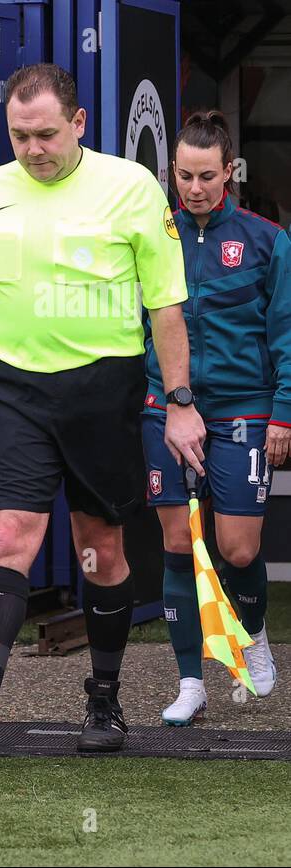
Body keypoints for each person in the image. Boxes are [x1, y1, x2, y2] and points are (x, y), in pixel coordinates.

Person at [0, 63, 203, 756]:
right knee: (9, 537)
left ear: (79, 124)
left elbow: (165, 304)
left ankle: (105, 699)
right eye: (20, 136)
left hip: (102, 390)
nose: (32, 149)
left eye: (46, 134)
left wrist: (179, 403)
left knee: (100, 548)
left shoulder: (133, 187)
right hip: (14, 389)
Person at [144, 110, 289, 723]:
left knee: (235, 548)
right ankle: (190, 683)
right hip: (164, 406)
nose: (194, 187)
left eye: (206, 175)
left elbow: (285, 328)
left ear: (228, 171)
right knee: (178, 545)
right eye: (184, 175)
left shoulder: (265, 239)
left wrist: (283, 411)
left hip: (244, 409)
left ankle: (251, 635)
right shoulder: (155, 234)